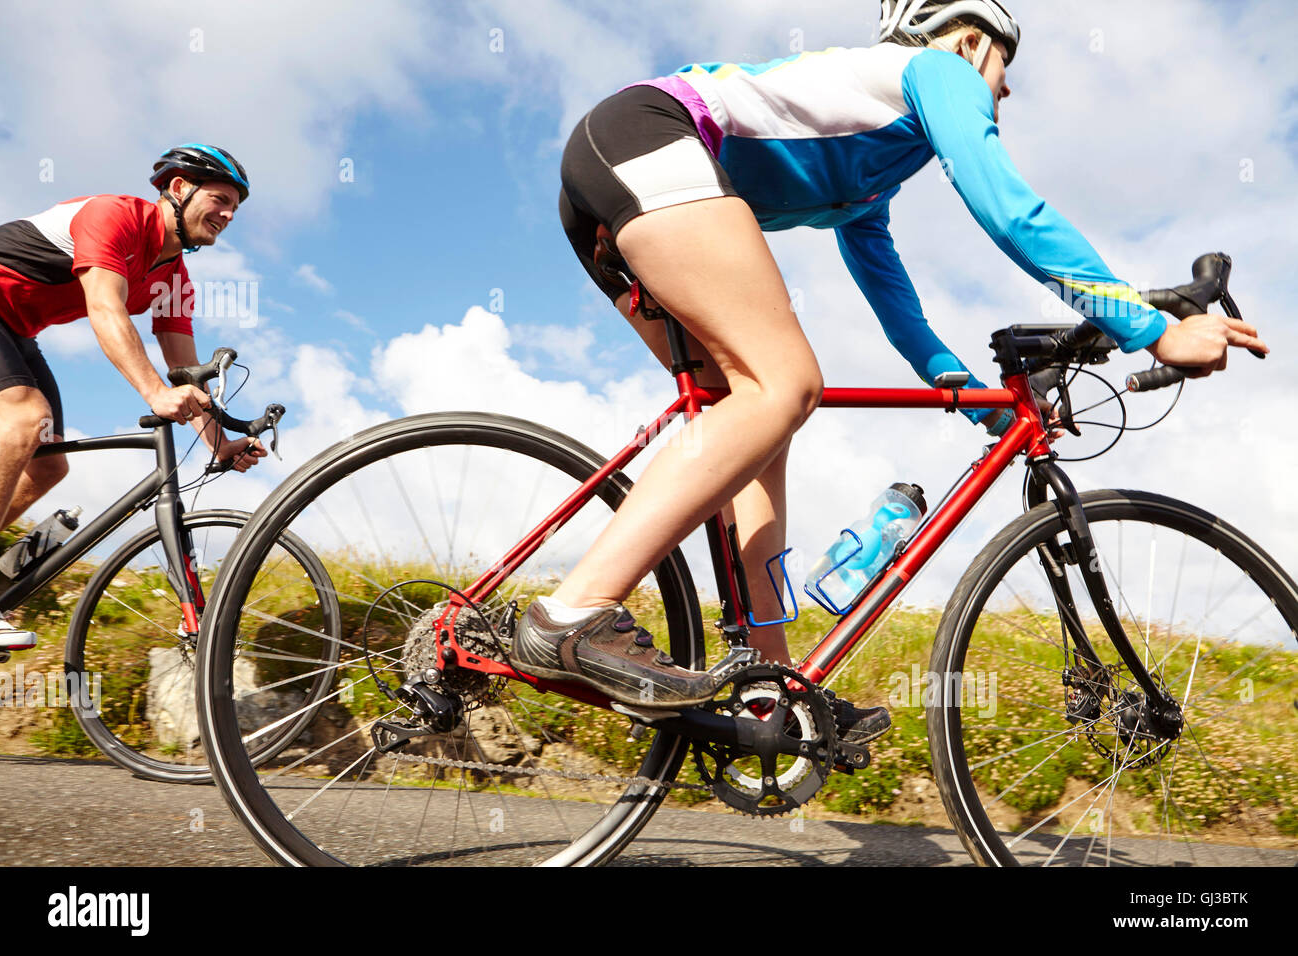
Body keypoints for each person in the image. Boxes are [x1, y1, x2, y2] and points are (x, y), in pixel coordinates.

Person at [513, 0, 1268, 745]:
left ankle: (768, 689)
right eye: (1006, 71)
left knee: (755, 417)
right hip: (649, 140)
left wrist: (986, 408)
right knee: (786, 385)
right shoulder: (940, 70)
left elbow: (898, 310)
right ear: (974, 42)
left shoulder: (869, 175)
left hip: (611, 174)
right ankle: (575, 613)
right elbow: (1009, 211)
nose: (1006, 92)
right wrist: (1153, 331)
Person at [0, 143, 267, 652]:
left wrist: (216, 445)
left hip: (15, 328)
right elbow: (105, 306)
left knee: (49, 467)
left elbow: (185, 370)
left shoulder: (174, 277)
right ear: (179, 188)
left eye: (236, 206)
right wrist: (154, 393)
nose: (229, 214)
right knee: (24, 418)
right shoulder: (114, 216)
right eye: (221, 199)